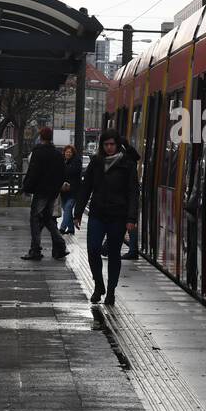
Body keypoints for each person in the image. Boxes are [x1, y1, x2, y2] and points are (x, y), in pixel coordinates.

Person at [73, 130, 139, 306]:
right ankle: (99, 285)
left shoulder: (127, 164)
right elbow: (86, 187)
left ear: (117, 145)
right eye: (106, 144)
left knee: (113, 254)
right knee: (93, 249)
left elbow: (133, 192)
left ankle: (111, 291)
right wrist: (78, 212)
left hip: (118, 215)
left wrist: (131, 218)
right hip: (98, 213)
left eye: (112, 144)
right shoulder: (96, 162)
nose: (109, 147)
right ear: (102, 146)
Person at [20, 126, 67, 260]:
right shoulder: (57, 154)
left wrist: (26, 187)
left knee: (35, 219)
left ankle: (35, 250)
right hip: (52, 192)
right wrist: (56, 188)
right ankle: (60, 244)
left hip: (40, 191)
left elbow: (33, 172)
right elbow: (62, 174)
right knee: (47, 219)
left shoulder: (38, 153)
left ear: (40, 137)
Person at [58, 144, 82, 234]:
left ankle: (62, 228)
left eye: (69, 152)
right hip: (63, 191)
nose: (67, 154)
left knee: (68, 208)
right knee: (66, 209)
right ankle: (71, 229)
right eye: (66, 152)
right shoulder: (63, 161)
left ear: (72, 153)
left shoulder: (76, 161)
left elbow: (72, 171)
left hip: (73, 191)